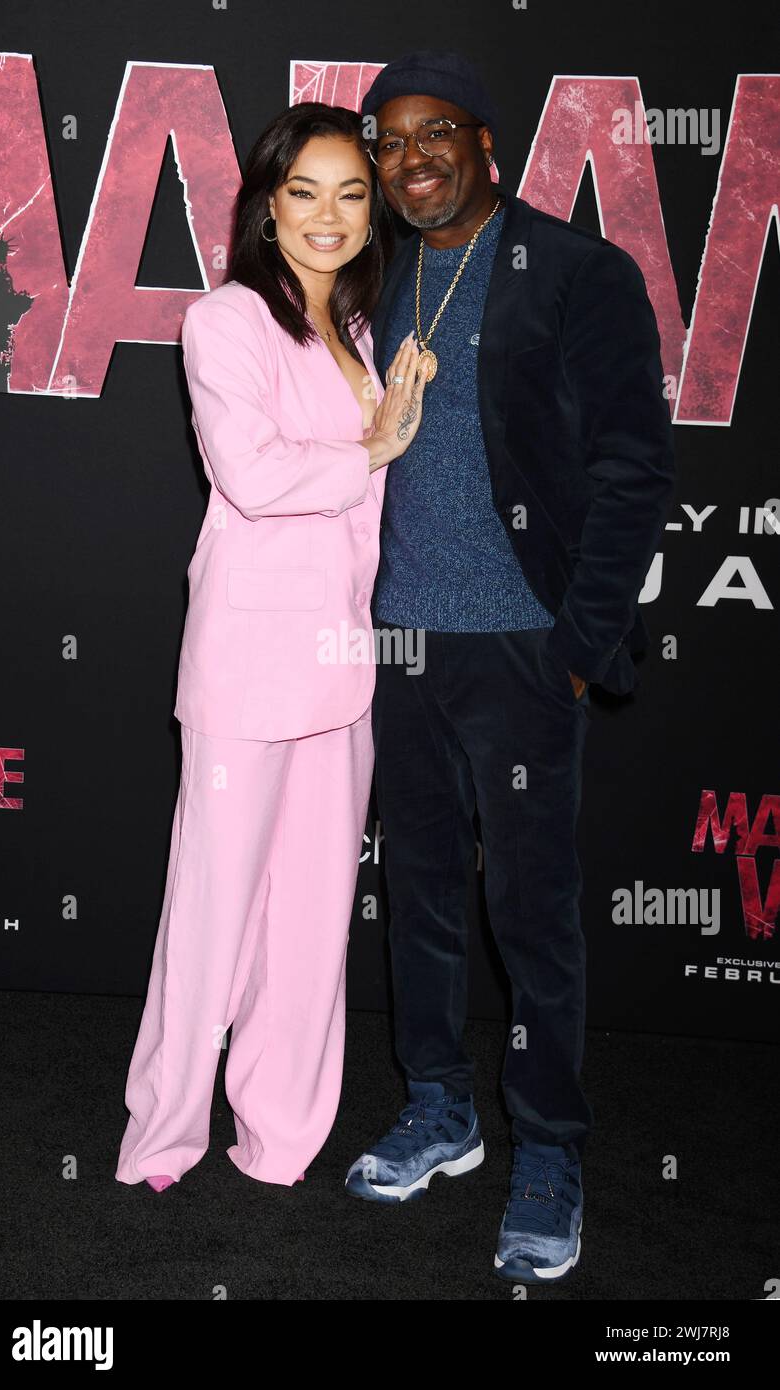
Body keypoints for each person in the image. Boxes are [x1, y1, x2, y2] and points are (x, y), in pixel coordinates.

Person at [345, 51, 676, 1284]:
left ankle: (548, 1145)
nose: (409, 156)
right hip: (395, 646)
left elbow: (633, 471)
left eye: (435, 133)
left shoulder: (579, 272)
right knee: (418, 893)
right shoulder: (368, 278)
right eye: (388, 139)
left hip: (523, 654)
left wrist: (578, 652)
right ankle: (439, 1105)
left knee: (529, 914)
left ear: (486, 143)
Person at [115, 102, 426, 1192]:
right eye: (305, 192)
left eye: (351, 193)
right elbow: (247, 478)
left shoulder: (365, 334)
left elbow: (367, 507)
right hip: (247, 667)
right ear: (266, 206)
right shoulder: (223, 323)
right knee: (211, 912)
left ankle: (282, 1135)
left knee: (308, 921)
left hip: (341, 666)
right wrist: (371, 446)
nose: (329, 216)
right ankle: (162, 1132)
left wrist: (385, 429)